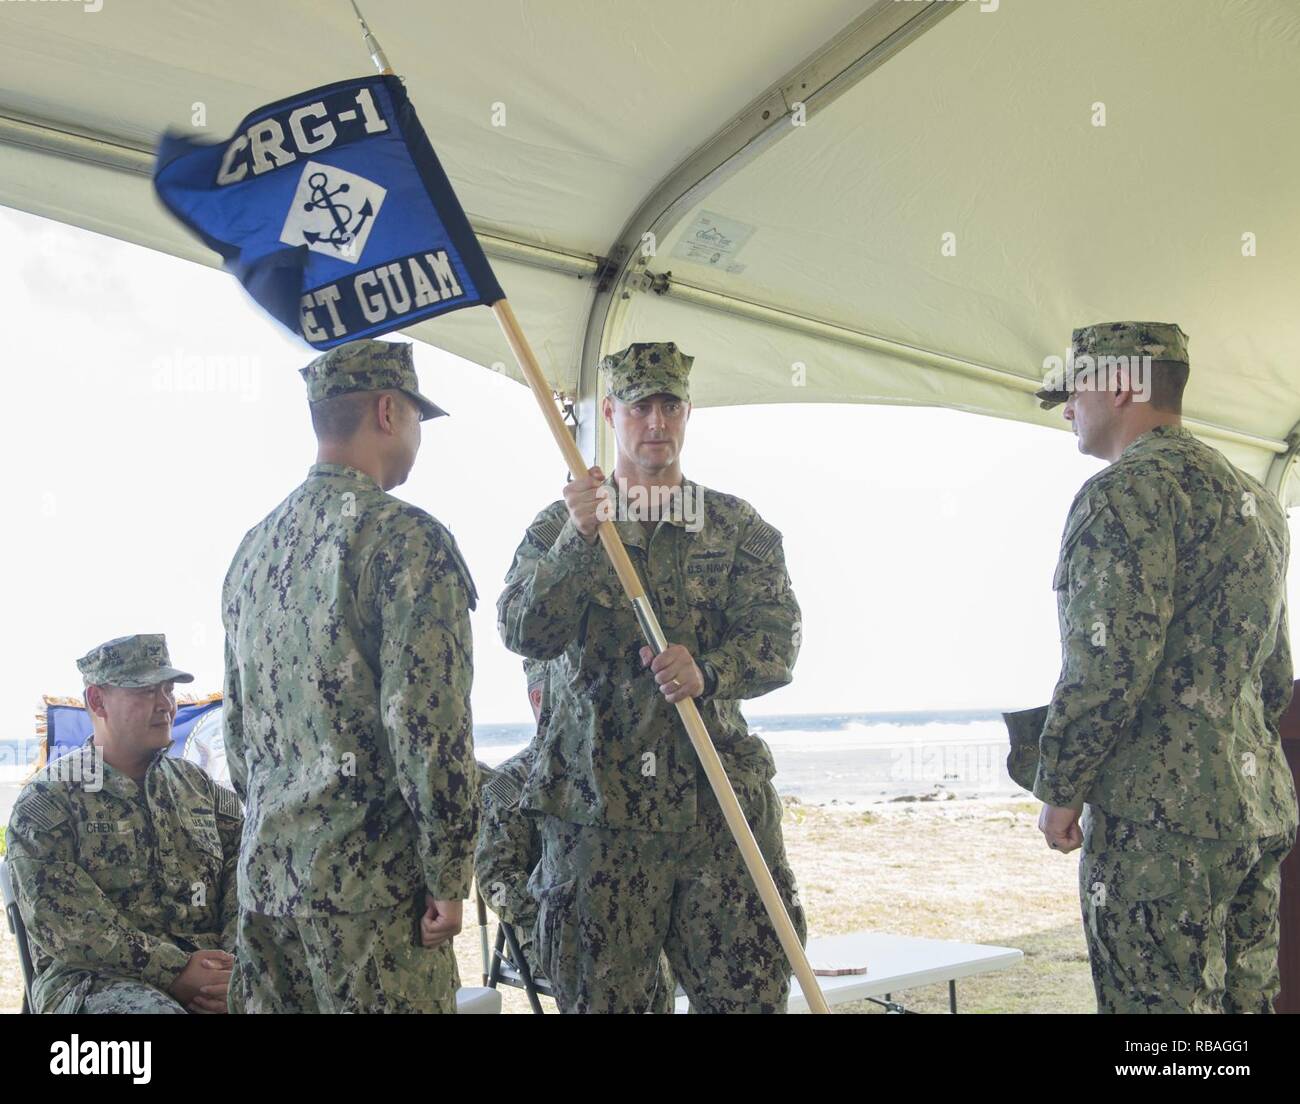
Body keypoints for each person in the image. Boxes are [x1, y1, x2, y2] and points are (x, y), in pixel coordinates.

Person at [498, 340, 805, 1013]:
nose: (656, 423)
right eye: (640, 407)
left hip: (716, 809)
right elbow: (523, 629)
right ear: (611, 413)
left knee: (747, 995)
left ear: (688, 412)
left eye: (669, 405)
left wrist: (711, 671)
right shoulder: (565, 522)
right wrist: (578, 541)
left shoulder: (734, 527)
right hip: (600, 817)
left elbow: (778, 640)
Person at [1033, 321, 1297, 1013]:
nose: (1067, 408)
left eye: (1076, 388)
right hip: (1254, 806)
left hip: (1159, 821)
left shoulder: (1123, 493)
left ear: (1121, 385)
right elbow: (1273, 674)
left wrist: (1061, 789)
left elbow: (1106, 668)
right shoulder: (1257, 501)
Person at [222, 338, 479, 1013]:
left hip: (269, 887)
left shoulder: (254, 550)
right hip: (373, 899)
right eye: (419, 418)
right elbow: (430, 728)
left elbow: (239, 735)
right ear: (388, 412)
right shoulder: (404, 539)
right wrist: (450, 876)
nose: (420, 436)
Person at [7, 634, 239, 1014]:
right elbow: (67, 926)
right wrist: (175, 971)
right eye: (146, 691)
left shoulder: (199, 788)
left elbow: (243, 873)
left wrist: (228, 967)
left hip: (209, 970)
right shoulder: (50, 800)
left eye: (168, 690)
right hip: (94, 981)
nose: (166, 705)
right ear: (98, 701)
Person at [475, 658, 677, 1012]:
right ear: (540, 698)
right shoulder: (512, 783)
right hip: (552, 928)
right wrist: (557, 912)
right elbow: (495, 879)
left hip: (625, 917)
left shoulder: (609, 774)